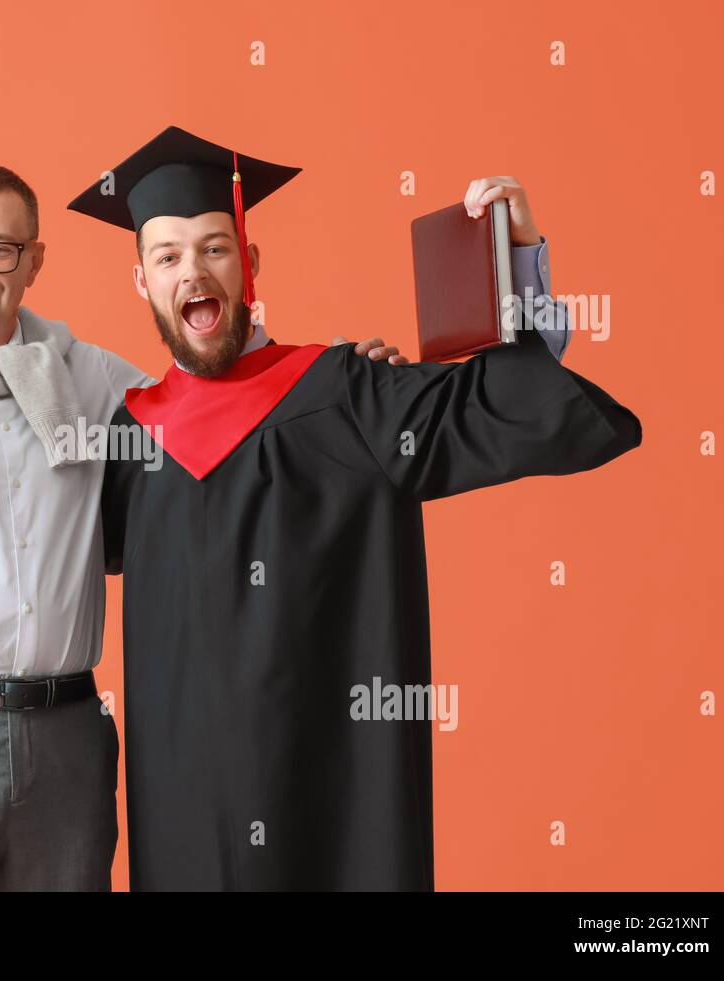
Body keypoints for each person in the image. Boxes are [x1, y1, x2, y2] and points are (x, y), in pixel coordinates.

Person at [0, 161, 409, 890]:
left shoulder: (83, 377)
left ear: (33, 261)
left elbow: (207, 418)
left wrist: (332, 383)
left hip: (67, 741)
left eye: (0, 248)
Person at [71, 125, 641, 890]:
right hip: (181, 804)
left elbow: (496, 407)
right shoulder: (129, 436)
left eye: (215, 247)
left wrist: (516, 264)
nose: (193, 270)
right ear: (142, 280)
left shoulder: (346, 393)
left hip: (333, 797)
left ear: (249, 262)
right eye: (167, 255)